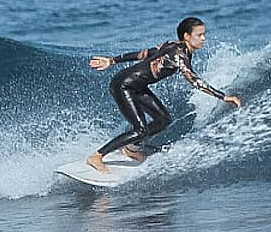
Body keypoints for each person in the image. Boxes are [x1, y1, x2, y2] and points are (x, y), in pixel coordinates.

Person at [85, 16, 241, 173]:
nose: (203, 38)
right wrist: (223, 96)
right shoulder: (179, 54)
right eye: (199, 35)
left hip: (137, 86)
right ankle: (97, 156)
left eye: (204, 34)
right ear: (187, 36)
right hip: (124, 85)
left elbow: (145, 53)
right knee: (140, 129)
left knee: (163, 120)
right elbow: (194, 80)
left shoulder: (174, 45)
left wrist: (112, 61)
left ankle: (131, 149)